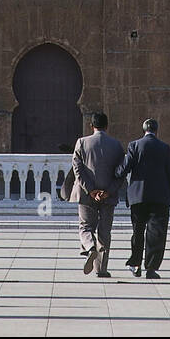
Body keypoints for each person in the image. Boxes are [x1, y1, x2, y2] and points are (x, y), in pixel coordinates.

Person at [114, 118, 170, 279]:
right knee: (156, 233)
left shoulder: (134, 145)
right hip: (160, 198)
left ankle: (135, 264)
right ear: (157, 131)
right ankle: (151, 267)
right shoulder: (165, 148)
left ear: (143, 130)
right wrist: (169, 195)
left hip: (138, 197)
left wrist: (115, 172)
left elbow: (125, 168)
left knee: (138, 231)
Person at [70, 112, 125, 277]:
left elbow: (77, 169)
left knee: (85, 226)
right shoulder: (116, 145)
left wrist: (90, 189)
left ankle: (89, 247)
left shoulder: (82, 142)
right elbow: (121, 173)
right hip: (108, 195)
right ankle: (101, 269)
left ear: (91, 126)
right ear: (107, 126)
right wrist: (108, 191)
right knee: (105, 231)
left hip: (87, 195)